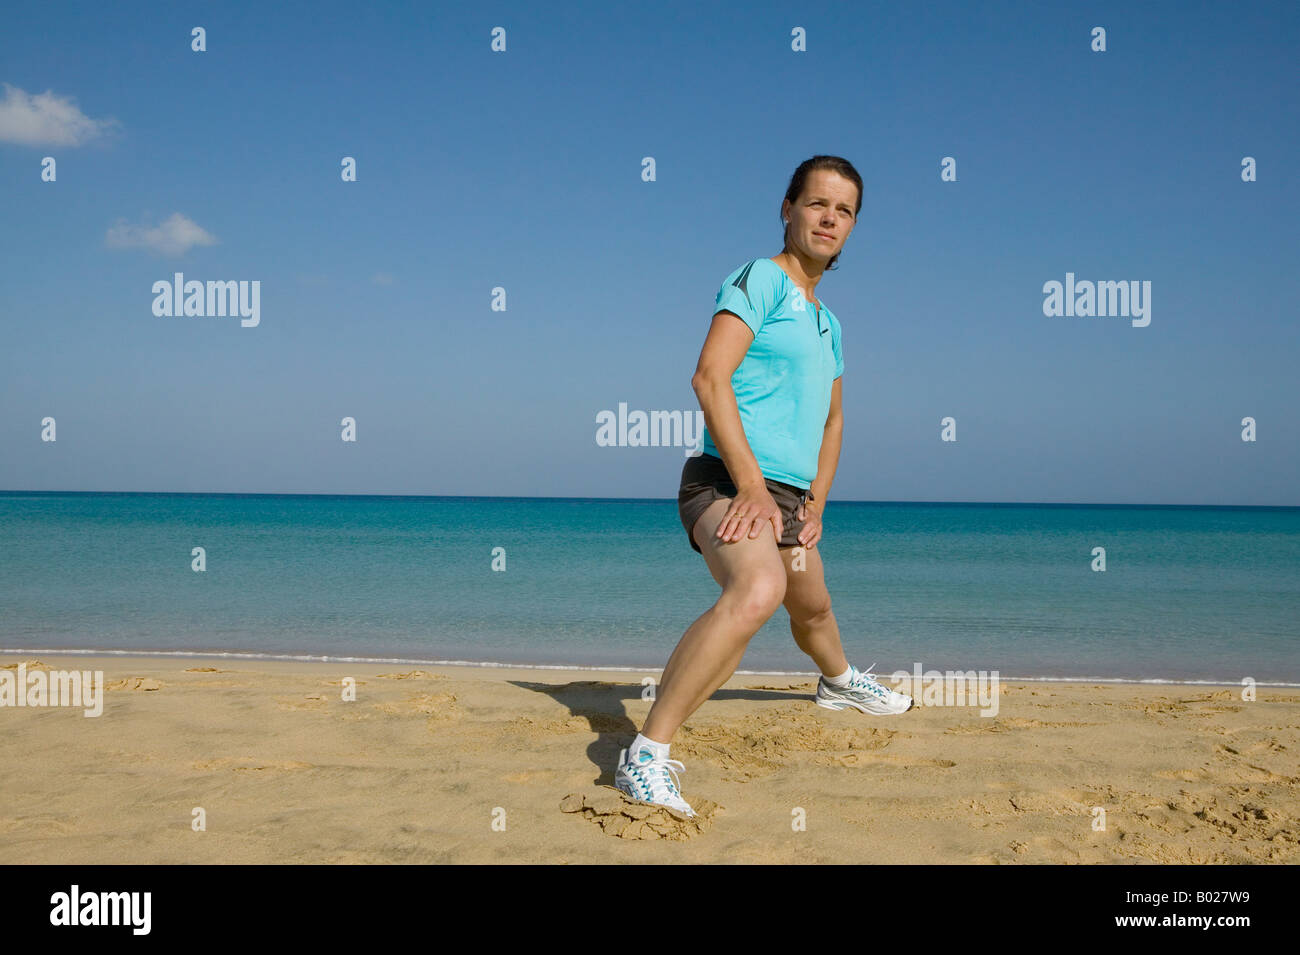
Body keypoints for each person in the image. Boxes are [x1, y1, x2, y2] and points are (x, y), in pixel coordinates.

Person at [613, 156, 913, 817]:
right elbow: (709, 377)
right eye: (817, 203)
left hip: (787, 500)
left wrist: (816, 505)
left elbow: (833, 421)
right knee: (758, 589)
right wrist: (750, 485)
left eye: (844, 210)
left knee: (813, 607)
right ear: (788, 208)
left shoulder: (828, 323)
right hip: (724, 482)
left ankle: (837, 683)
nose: (830, 217)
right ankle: (645, 755)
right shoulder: (761, 280)